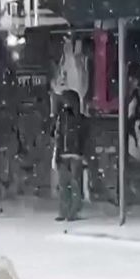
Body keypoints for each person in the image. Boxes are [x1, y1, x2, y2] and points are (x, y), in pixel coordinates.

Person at [53, 90, 87, 221]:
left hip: (70, 154)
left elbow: (58, 136)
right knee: (70, 184)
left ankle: (69, 211)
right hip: (70, 154)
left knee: (69, 184)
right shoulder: (67, 118)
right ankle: (69, 211)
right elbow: (58, 136)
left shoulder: (63, 118)